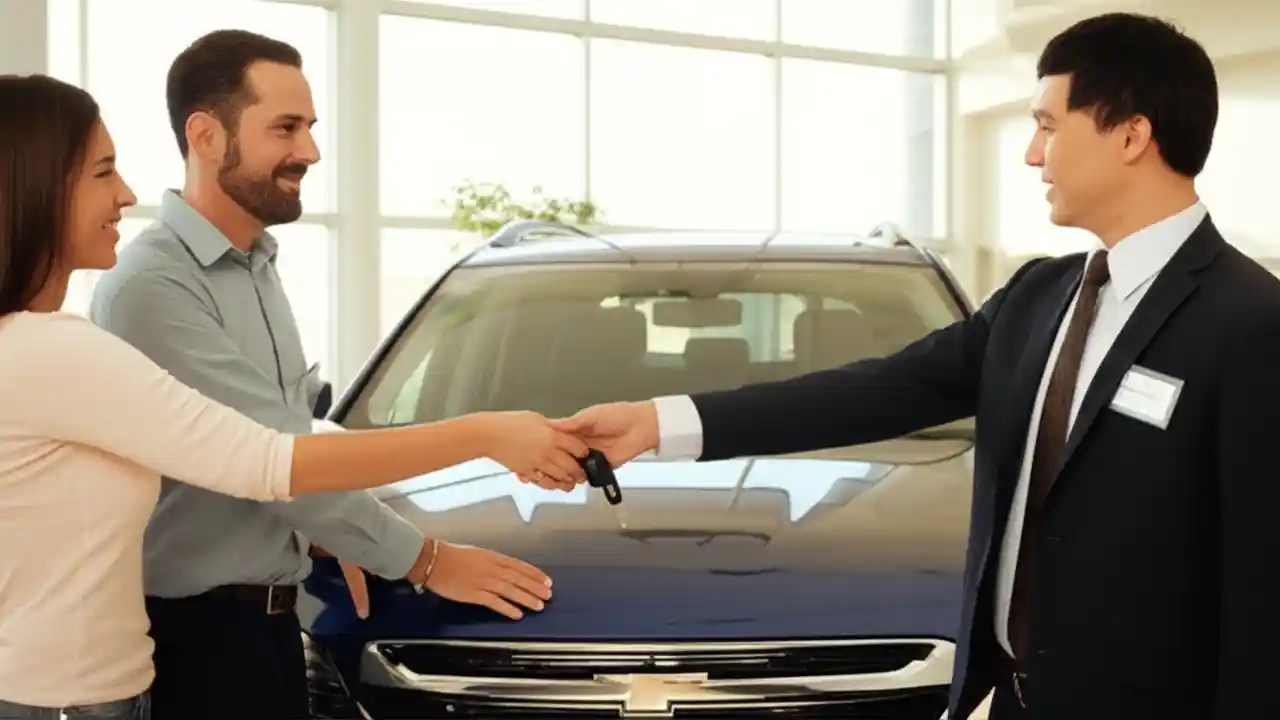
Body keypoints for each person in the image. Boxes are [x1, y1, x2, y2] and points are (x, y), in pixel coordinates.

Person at [552, 13, 1280, 720]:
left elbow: (1262, 593)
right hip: (1016, 700)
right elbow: (878, 392)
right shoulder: (1040, 295)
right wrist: (658, 423)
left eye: (1049, 125)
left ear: (1132, 135)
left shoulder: (1250, 323)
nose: (1033, 153)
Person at [0, 75, 586, 720]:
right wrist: (483, 437)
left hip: (91, 689)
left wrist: (328, 533)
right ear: (33, 188)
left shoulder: (45, 348)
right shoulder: (58, 349)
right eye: (103, 172)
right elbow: (267, 461)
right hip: (64, 701)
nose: (128, 193)